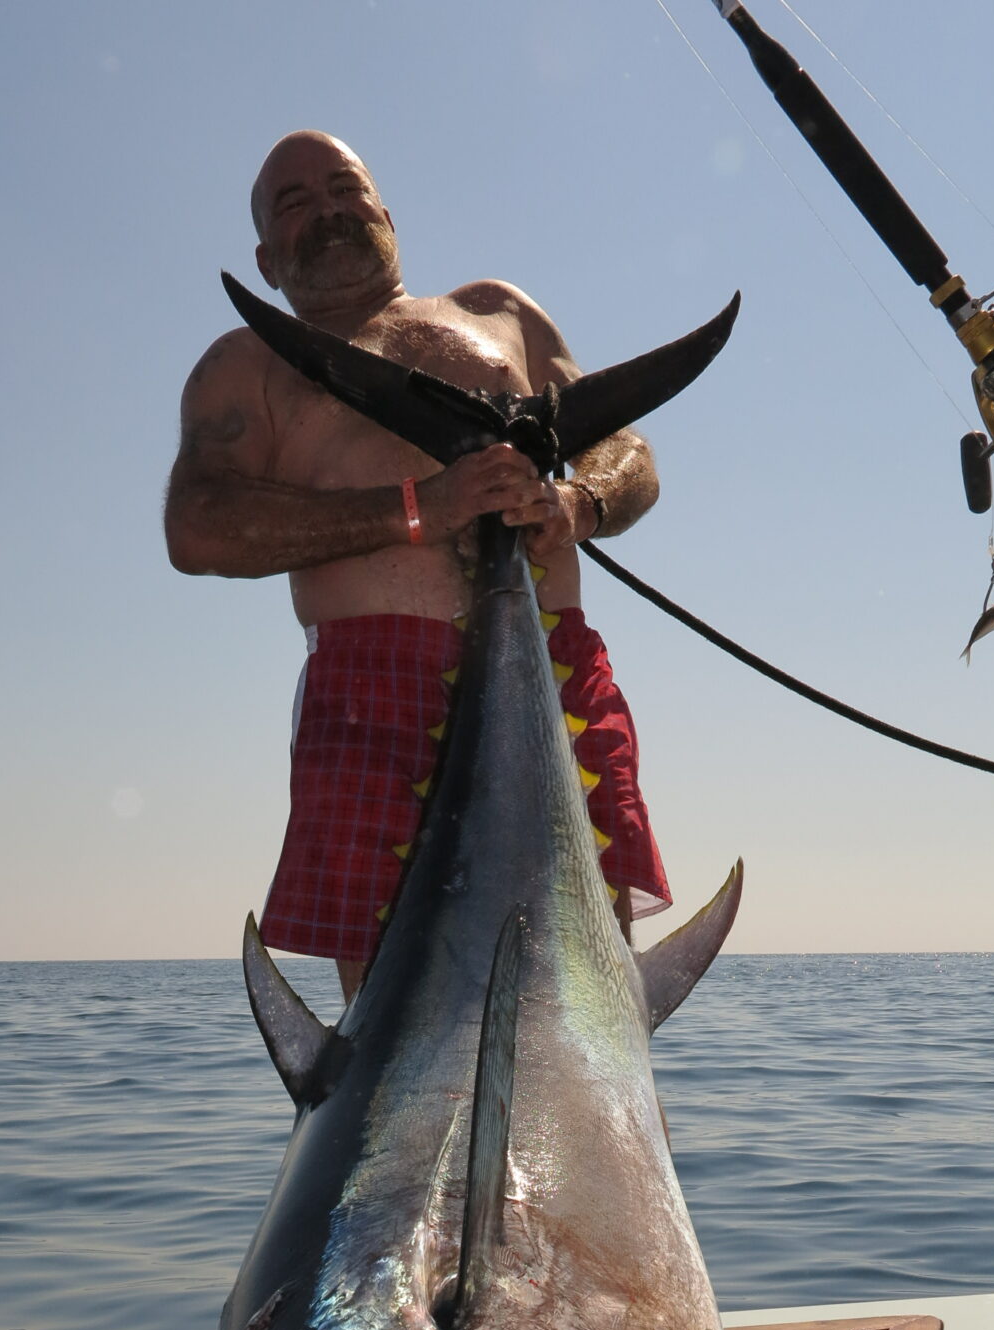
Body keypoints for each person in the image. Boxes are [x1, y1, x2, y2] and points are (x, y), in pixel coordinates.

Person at [164, 130, 670, 999]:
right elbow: (198, 527)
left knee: (584, 999)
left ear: (387, 216)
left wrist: (576, 506)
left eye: (344, 189)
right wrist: (420, 509)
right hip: (373, 688)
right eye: (294, 203)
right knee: (403, 1022)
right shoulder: (246, 364)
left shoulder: (499, 313)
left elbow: (627, 453)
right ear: (264, 258)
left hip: (553, 663)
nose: (327, 209)